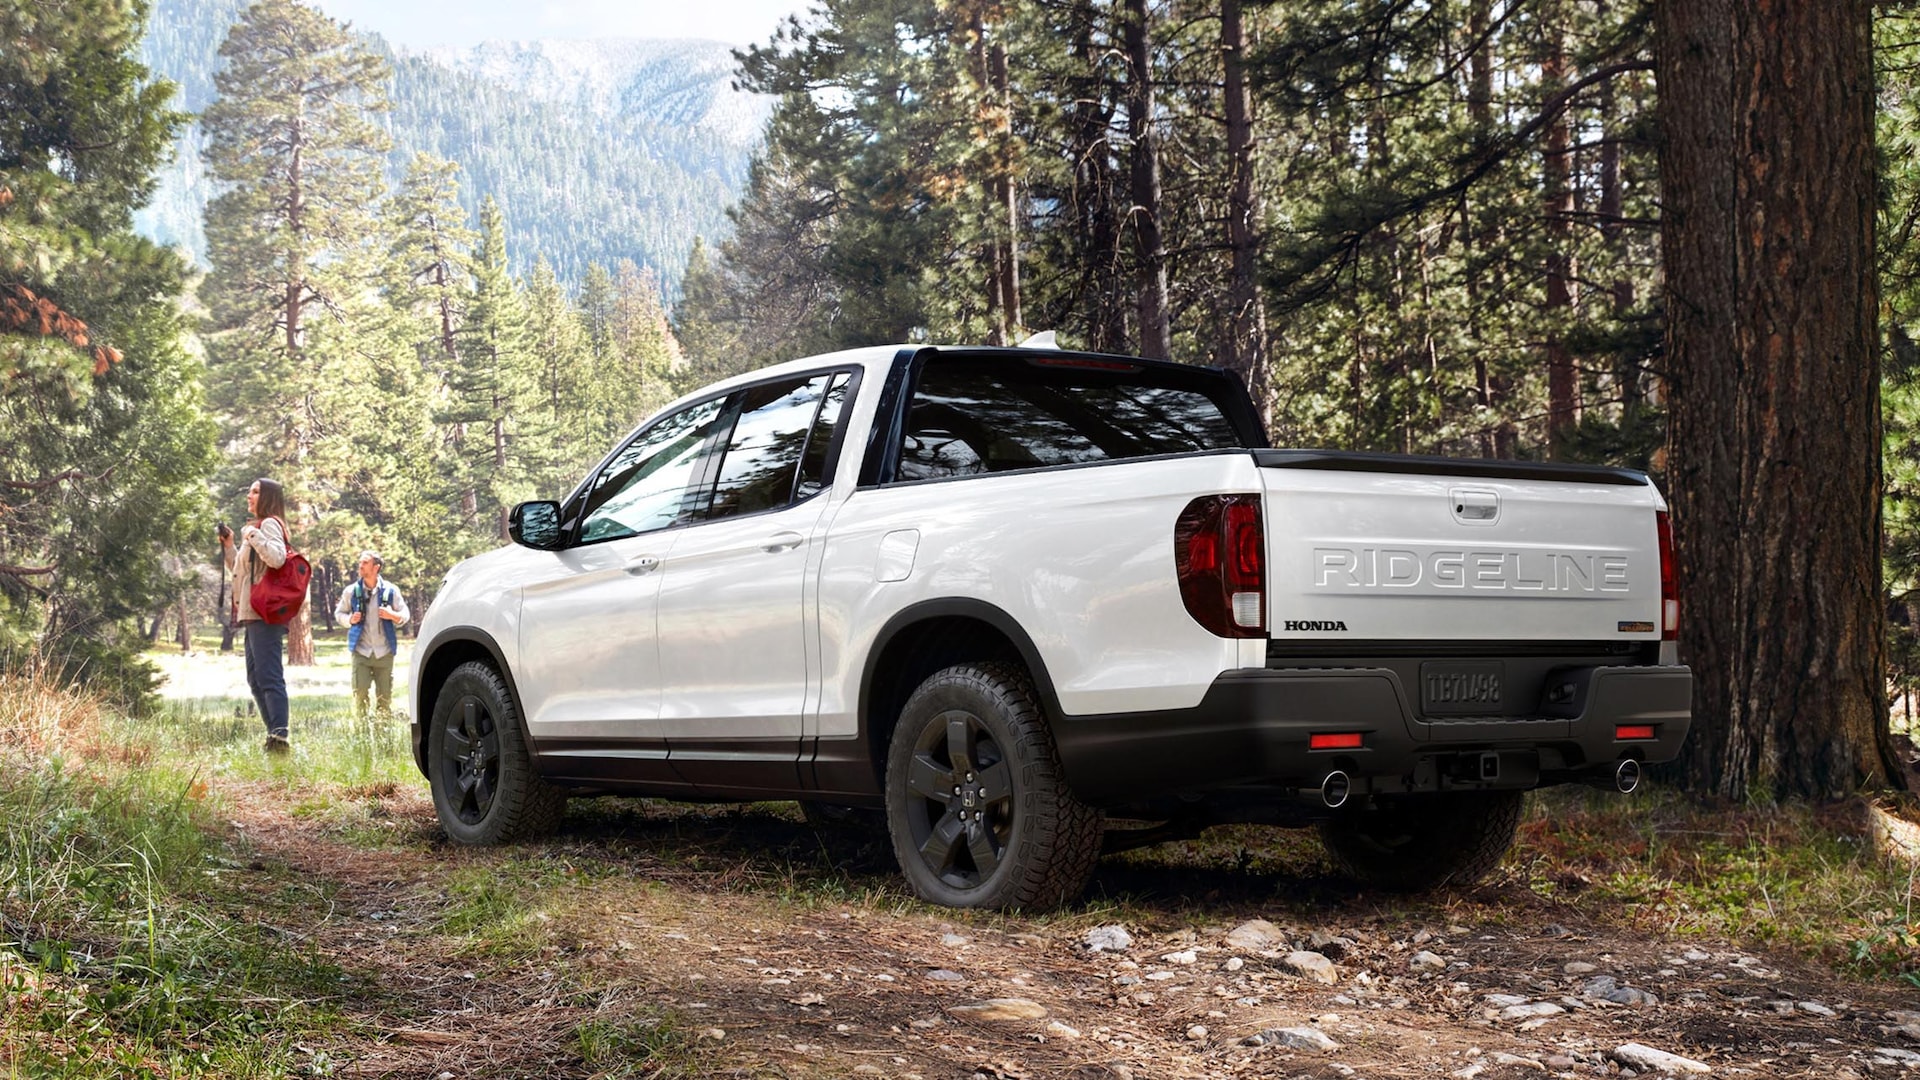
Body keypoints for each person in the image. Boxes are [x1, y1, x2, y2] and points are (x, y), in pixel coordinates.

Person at [220, 478, 294, 753]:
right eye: (249, 491)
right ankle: (273, 736)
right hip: (252, 613)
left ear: (268, 497)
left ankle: (280, 737)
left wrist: (252, 534)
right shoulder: (257, 528)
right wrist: (230, 545)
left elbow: (277, 558)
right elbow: (241, 571)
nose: (249, 496)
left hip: (265, 613)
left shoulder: (269, 524)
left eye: (255, 491)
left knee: (269, 676)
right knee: (256, 678)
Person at [333, 549, 409, 718]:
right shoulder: (351, 591)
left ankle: (383, 728)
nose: (360, 565)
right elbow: (339, 614)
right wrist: (350, 619)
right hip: (361, 652)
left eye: (365, 562)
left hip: (385, 652)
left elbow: (405, 614)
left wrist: (392, 615)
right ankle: (362, 729)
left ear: (376, 567)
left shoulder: (391, 590)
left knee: (385, 697)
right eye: (360, 562)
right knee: (359, 694)